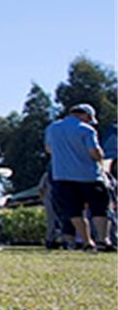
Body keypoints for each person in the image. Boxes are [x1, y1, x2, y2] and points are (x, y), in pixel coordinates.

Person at [45, 104, 112, 251]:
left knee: (75, 211)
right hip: (88, 176)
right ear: (86, 116)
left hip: (62, 176)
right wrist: (101, 154)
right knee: (99, 208)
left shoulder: (52, 128)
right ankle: (102, 240)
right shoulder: (86, 129)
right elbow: (94, 153)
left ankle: (87, 242)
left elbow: (49, 149)